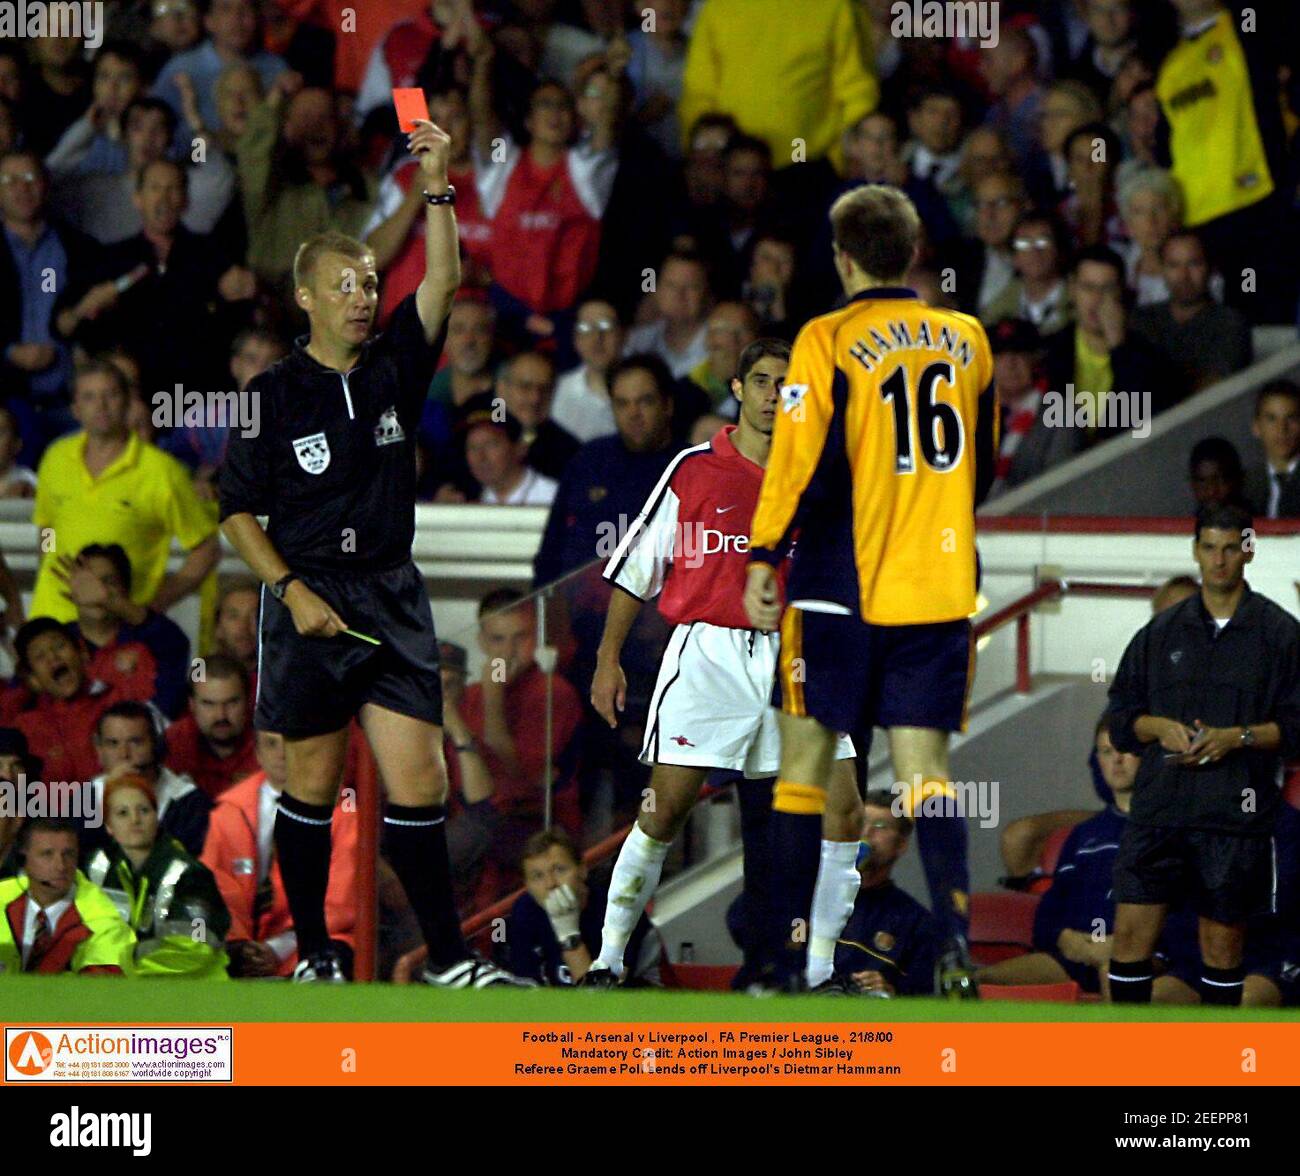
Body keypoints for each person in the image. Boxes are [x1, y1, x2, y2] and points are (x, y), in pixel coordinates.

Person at [218, 111, 528, 987]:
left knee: (419, 782)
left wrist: (437, 183)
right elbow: (235, 511)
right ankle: (317, 954)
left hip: (390, 594)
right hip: (310, 600)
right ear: (306, 298)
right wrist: (289, 590)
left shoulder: (397, 362)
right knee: (312, 789)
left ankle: (450, 961)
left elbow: (443, 277)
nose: (363, 295)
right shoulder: (273, 394)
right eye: (346, 285)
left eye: (366, 281)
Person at [743, 184, 997, 995]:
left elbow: (798, 463)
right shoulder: (967, 338)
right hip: (938, 587)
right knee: (925, 772)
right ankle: (958, 945)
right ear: (915, 251)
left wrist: (761, 552)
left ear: (842, 257)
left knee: (803, 771)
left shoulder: (828, 338)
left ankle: (779, 964)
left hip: (840, 587)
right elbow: (980, 467)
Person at [584, 339, 855, 988]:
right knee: (664, 808)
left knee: (841, 810)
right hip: (708, 653)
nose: (773, 395)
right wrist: (607, 659)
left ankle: (817, 973)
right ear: (738, 388)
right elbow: (634, 570)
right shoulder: (695, 467)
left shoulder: (825, 472)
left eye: (787, 384)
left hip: (801, 653)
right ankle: (609, 959)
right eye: (761, 381)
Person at [1105, 502, 1300, 1006]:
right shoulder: (1160, 632)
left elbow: (1298, 727)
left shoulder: (1280, 635)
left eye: (1231, 548)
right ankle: (1121, 1061)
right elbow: (1123, 717)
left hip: (1234, 815)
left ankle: (1219, 1063)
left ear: (1248, 552)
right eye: (1210, 547)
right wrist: (1159, 727)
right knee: (1128, 940)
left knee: (1222, 948)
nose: (1219, 560)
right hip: (1159, 809)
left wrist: (1238, 737)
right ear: (1195, 550)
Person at [30, 361, 220, 624]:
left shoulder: (161, 471)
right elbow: (47, 526)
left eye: (111, 394)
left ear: (128, 402)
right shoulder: (55, 457)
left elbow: (206, 548)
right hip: (53, 619)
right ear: (75, 408)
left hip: (122, 630)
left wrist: (155, 605)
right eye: (89, 397)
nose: (101, 405)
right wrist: (48, 566)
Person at [980, 717, 1137, 994]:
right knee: (974, 981)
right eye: (1106, 751)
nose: (1117, 761)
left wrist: (1126, 946)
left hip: (1136, 956)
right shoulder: (1085, 834)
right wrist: (1065, 938)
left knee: (1116, 976)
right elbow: (1049, 912)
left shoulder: (1169, 829)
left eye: (1125, 750)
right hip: (1073, 956)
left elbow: (1182, 916)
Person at [201, 729, 357, 978]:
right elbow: (215, 888)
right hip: (242, 946)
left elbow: (341, 904)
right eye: (272, 744)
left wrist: (277, 950)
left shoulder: (344, 811)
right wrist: (240, 945)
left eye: (291, 742)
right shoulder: (227, 811)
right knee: (200, 943)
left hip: (316, 942)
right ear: (257, 751)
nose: (282, 754)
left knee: (334, 954)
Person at [456, 589, 584, 876]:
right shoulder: (469, 695)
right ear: (481, 642)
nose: (508, 652)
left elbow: (527, 777)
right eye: (497, 639)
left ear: (537, 638)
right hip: (480, 820)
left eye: (521, 637)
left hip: (537, 824)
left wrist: (493, 699)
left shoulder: (553, 692)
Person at [679, 0, 876, 173]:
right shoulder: (718, 8)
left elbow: (857, 93)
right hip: (731, 173)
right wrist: (701, 157)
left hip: (809, 171)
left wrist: (842, 159)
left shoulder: (836, 7)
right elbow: (698, 94)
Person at [86, 771, 230, 978]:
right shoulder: (96, 868)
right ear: (108, 825)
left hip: (191, 992)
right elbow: (78, 935)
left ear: (157, 816)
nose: (135, 820)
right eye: (122, 813)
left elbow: (197, 944)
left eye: (144, 810)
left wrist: (123, 966)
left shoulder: (190, 875)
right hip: (128, 990)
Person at [56, 543, 192, 720]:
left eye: (108, 582)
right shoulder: (55, 641)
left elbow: (174, 643)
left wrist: (110, 601)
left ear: (125, 590)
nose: (97, 591)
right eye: (87, 582)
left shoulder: (154, 637)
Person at [508, 827, 653, 986]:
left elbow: (601, 1002)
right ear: (526, 885)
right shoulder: (525, 911)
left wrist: (569, 936)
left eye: (559, 870)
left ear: (582, 870)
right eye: (537, 876)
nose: (550, 884)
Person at [830, 791, 942, 997]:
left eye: (880, 826)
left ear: (901, 846)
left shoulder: (917, 923)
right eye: (861, 821)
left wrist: (890, 992)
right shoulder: (813, 894)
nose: (866, 832)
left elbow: (923, 1004)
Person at [12, 617, 150, 784]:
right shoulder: (25, 729)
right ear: (32, 678)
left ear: (82, 652)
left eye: (59, 646)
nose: (53, 658)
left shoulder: (118, 699)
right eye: (40, 656)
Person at [0, 818, 135, 975]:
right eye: (47, 854)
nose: (61, 866)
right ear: (23, 860)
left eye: (68, 854)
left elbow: (100, 991)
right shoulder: (4, 898)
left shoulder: (102, 922)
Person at [1129, 230, 1252, 393]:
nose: (1183, 275)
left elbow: (1218, 387)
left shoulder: (1230, 322)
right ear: (1162, 270)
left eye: (1194, 264)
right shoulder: (1141, 319)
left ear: (1211, 268)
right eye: (1173, 265)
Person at [93, 700, 212, 859]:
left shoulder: (190, 805)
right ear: (99, 750)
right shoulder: (86, 800)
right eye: (113, 744)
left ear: (156, 746)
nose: (124, 754)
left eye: (136, 742)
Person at [166, 654, 258, 799]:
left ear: (248, 701)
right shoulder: (173, 743)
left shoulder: (270, 744)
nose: (221, 715)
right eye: (209, 704)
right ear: (192, 705)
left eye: (232, 702)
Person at [453, 394, 557, 506]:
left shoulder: (553, 497)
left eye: (491, 444)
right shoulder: (470, 503)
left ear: (520, 448)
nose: (481, 457)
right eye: (472, 447)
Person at [624, 249, 711, 379]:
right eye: (671, 285)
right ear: (656, 290)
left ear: (707, 293)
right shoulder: (638, 342)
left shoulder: (718, 344)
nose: (679, 295)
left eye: (691, 286)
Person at [495, 351, 578, 480]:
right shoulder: (476, 427)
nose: (535, 398)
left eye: (544, 389)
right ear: (502, 389)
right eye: (525, 387)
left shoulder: (568, 451)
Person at [550, 299, 623, 442]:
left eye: (606, 326)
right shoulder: (558, 392)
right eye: (585, 328)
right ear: (575, 339)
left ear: (622, 334)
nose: (597, 338)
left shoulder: (645, 386)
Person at [1244, 380, 1300, 519]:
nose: (1282, 429)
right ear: (1256, 427)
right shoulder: (1244, 487)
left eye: (1291, 418)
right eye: (1271, 419)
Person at [209, 578, 260, 675]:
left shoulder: (281, 678)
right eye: (233, 616)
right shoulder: (200, 670)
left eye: (255, 617)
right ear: (218, 626)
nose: (243, 626)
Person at [1187, 437, 1246, 512]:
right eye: (1202, 481)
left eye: (1220, 480)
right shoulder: (1188, 522)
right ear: (1192, 484)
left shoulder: (1260, 521)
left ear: (1239, 479)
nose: (1211, 492)